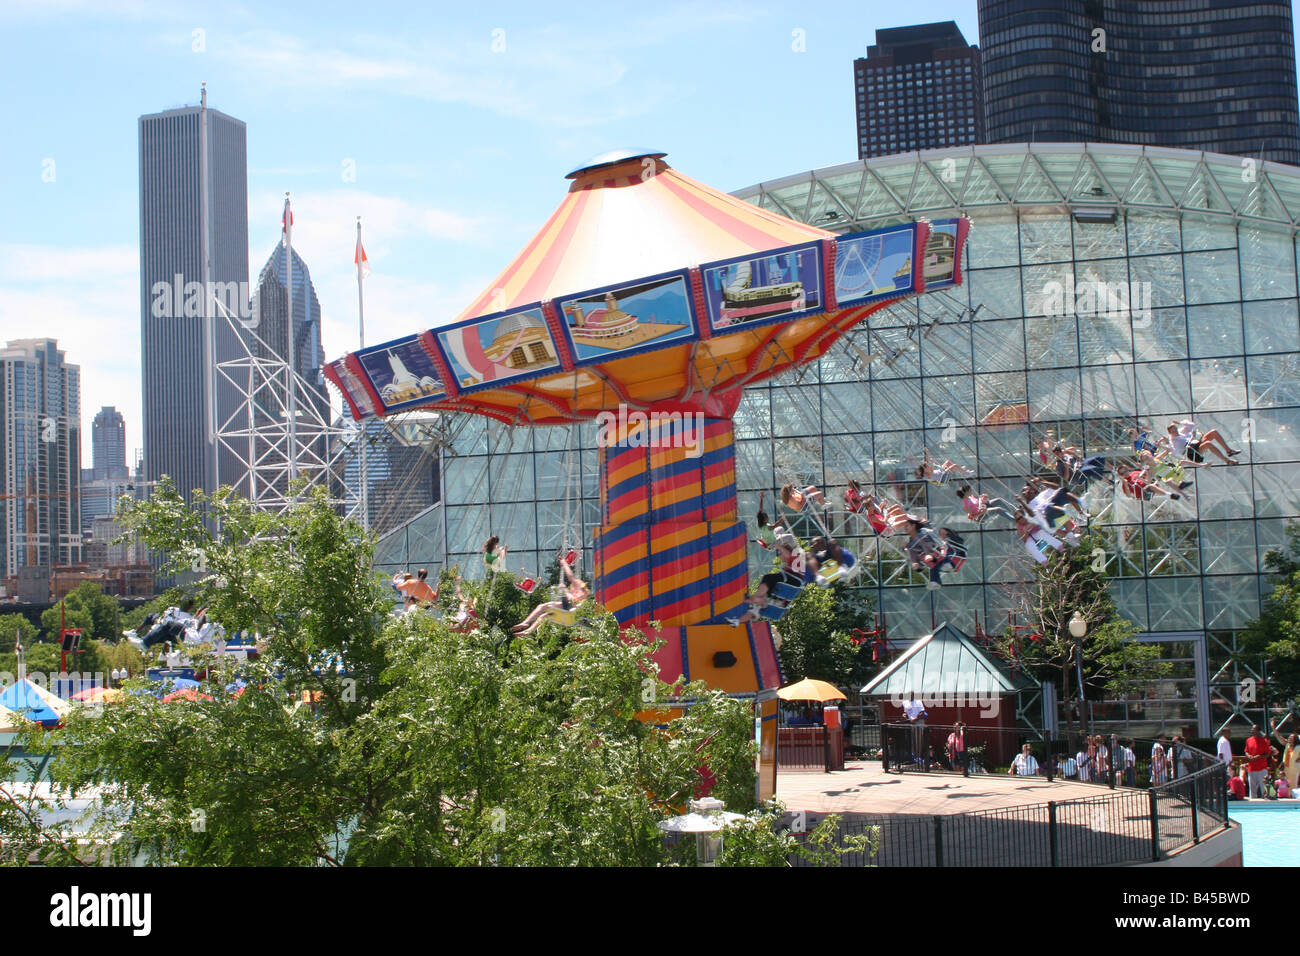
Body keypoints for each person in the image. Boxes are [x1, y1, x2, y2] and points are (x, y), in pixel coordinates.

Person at [727, 534, 811, 626]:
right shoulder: (792, 561)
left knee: (768, 578)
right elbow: (786, 553)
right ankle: (737, 621)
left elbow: (788, 549)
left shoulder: (796, 555)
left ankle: (756, 598)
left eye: (780, 553)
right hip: (786, 589)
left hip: (793, 578)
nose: (779, 556)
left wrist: (776, 544)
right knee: (755, 609)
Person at [513, 559, 589, 636]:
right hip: (566, 608)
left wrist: (565, 590)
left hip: (570, 611)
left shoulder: (583, 593)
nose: (572, 587)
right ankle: (527, 628)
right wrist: (564, 563)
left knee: (548, 607)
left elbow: (572, 599)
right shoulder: (577, 588)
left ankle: (526, 625)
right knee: (542, 613)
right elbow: (570, 576)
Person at [1166, 419, 1239, 466]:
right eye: (1173, 431)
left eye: (1175, 429)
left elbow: (1192, 425)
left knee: (1214, 432)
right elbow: (1178, 450)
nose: (1175, 432)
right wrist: (1192, 437)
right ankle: (1227, 460)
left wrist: (1180, 422)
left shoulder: (1181, 432)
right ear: (1170, 433)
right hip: (1192, 452)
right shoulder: (1174, 440)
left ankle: (1228, 450)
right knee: (1208, 443)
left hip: (1197, 444)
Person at [903, 517, 945, 589]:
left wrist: (926, 523)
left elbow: (933, 536)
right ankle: (935, 581)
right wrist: (915, 563)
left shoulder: (923, 532)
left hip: (936, 550)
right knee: (911, 548)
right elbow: (912, 552)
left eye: (907, 526)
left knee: (923, 539)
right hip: (929, 558)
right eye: (904, 527)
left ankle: (935, 581)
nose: (905, 528)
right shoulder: (911, 542)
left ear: (913, 526)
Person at [1244, 724, 1277, 799]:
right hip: (1251, 768)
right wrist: (1248, 756)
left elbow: (1268, 754)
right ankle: (1253, 806)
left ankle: (1265, 803)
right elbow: (1246, 751)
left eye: (1254, 729)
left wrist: (1259, 756)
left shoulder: (1264, 741)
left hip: (1262, 768)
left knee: (1264, 788)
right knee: (1252, 789)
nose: (1252, 730)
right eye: (1252, 729)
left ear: (1258, 731)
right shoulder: (1248, 740)